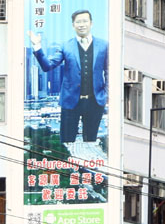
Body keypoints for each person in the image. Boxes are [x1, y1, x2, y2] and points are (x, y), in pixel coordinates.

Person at [29, 10, 108, 150]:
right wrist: (37, 46)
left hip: (95, 101)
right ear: (73, 25)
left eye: (85, 21)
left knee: (91, 140)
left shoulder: (103, 45)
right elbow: (48, 66)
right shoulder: (65, 46)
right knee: (66, 140)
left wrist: (107, 94)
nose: (82, 25)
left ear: (91, 23)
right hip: (70, 101)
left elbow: (109, 71)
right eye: (78, 22)